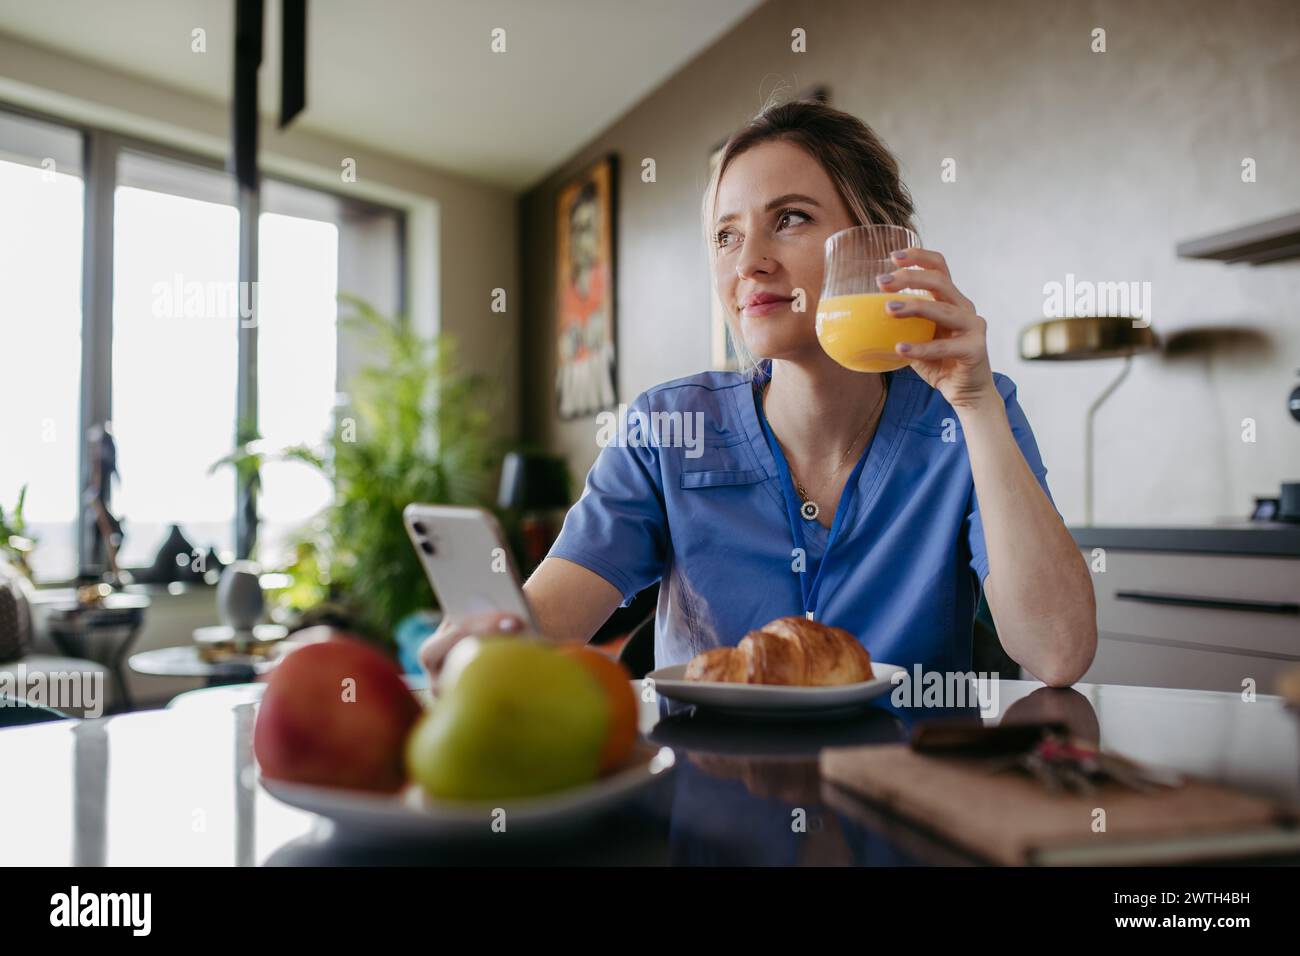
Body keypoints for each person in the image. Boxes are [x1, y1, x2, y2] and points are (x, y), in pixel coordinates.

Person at [422, 100, 1096, 687]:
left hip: (904, 802)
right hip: (706, 800)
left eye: (791, 218)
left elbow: (1059, 652)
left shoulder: (970, 410)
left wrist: (976, 406)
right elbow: (547, 622)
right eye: (726, 235)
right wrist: (485, 642)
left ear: (876, 242)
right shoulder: (667, 429)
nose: (748, 264)